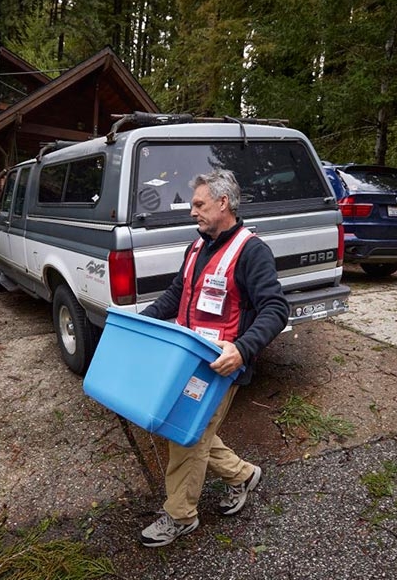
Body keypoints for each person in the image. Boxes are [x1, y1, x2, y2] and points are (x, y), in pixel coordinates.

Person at [139, 168, 289, 547]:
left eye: (199, 204)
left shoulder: (252, 251)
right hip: (190, 361)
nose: (193, 212)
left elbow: (275, 308)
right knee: (187, 429)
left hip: (223, 366)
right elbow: (177, 294)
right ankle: (242, 475)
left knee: (187, 439)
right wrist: (138, 325)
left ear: (223, 203)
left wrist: (242, 349)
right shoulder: (198, 246)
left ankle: (180, 516)